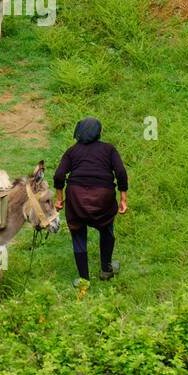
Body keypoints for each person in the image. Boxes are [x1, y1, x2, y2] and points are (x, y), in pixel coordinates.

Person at [52, 117, 128, 283]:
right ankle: (106, 270)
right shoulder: (109, 149)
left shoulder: (71, 152)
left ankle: (84, 279)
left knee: (78, 235)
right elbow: (121, 172)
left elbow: (59, 175)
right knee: (107, 230)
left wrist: (59, 199)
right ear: (99, 133)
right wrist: (123, 198)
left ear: (78, 133)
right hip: (103, 197)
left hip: (76, 198)